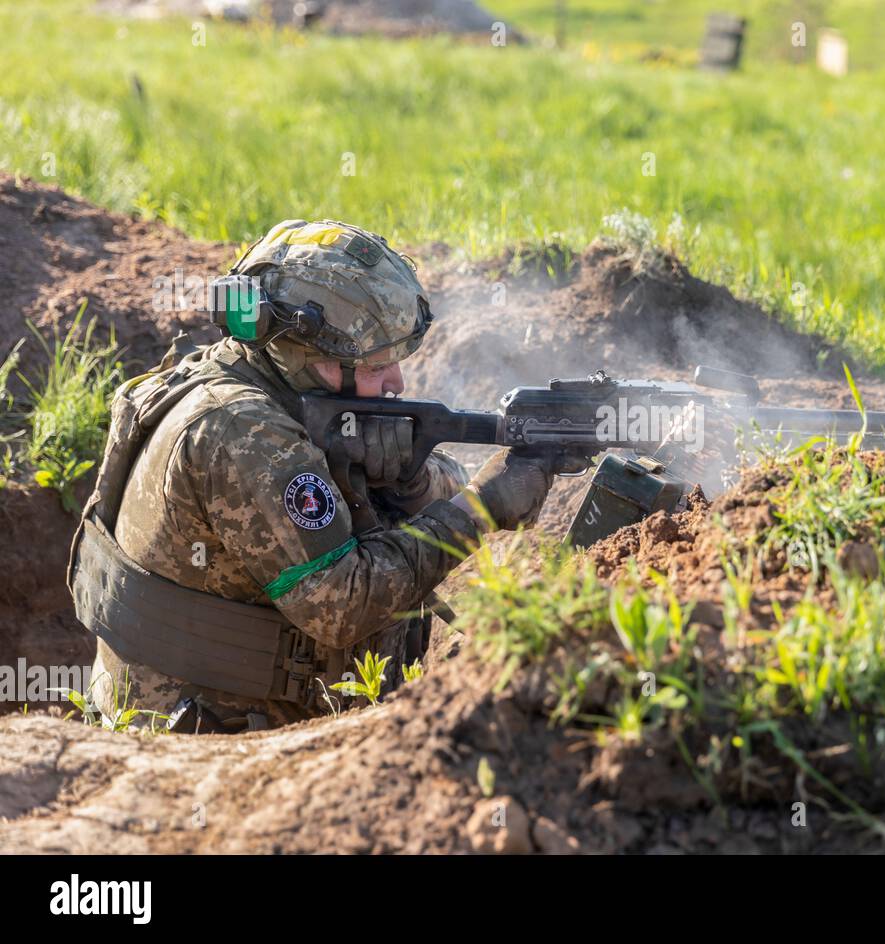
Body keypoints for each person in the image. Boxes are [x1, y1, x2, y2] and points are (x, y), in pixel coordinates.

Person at [68, 219, 554, 731]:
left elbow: (439, 482)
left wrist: (408, 482)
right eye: (375, 364)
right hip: (208, 747)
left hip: (177, 718)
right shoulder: (244, 433)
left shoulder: (241, 380)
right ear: (304, 351)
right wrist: (479, 511)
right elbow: (342, 606)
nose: (397, 381)